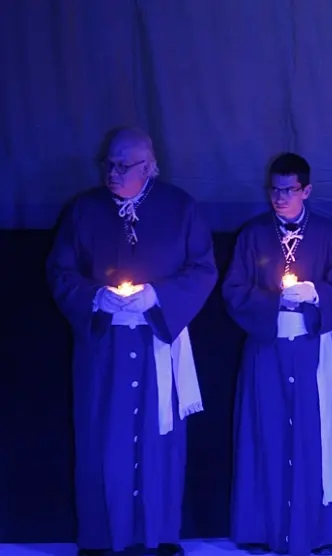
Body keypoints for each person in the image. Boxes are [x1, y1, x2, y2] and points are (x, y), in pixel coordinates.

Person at [46, 127, 218, 556]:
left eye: (124, 166)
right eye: (109, 163)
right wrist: (95, 297)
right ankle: (102, 538)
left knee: (160, 438)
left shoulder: (181, 208)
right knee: (102, 435)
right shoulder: (84, 210)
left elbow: (202, 269)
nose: (113, 173)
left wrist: (157, 296)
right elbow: (60, 272)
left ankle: (159, 535)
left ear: (150, 167)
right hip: (105, 346)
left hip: (159, 340)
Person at [224, 153, 332, 556]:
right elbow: (234, 290)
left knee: (314, 436)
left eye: (288, 190)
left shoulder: (327, 234)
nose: (279, 198)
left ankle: (316, 533)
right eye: (274, 190)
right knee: (266, 432)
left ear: (306, 190)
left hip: (313, 348)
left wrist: (316, 294)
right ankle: (265, 529)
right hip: (268, 346)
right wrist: (273, 302)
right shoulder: (253, 235)